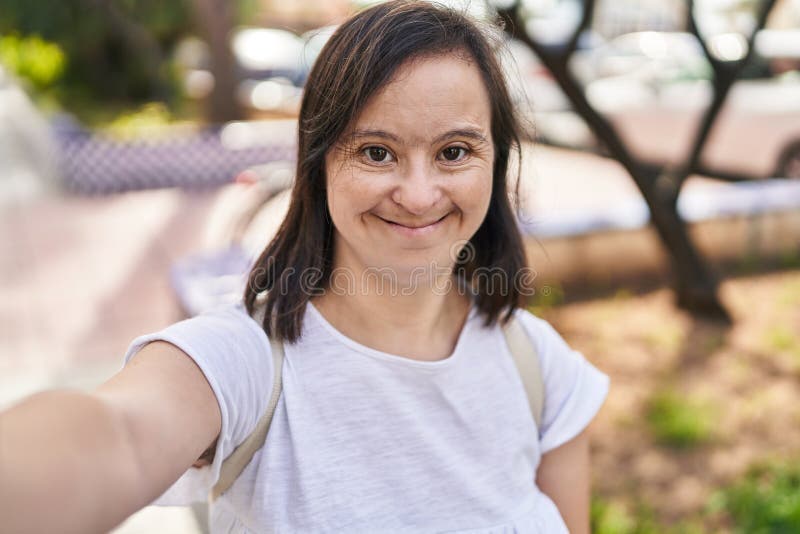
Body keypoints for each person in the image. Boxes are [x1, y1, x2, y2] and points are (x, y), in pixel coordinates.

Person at [0, 1, 609, 533]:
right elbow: (120, 435)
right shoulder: (241, 363)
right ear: (318, 164)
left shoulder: (540, 368)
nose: (420, 194)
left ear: (495, 162)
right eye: (377, 152)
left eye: (454, 152)